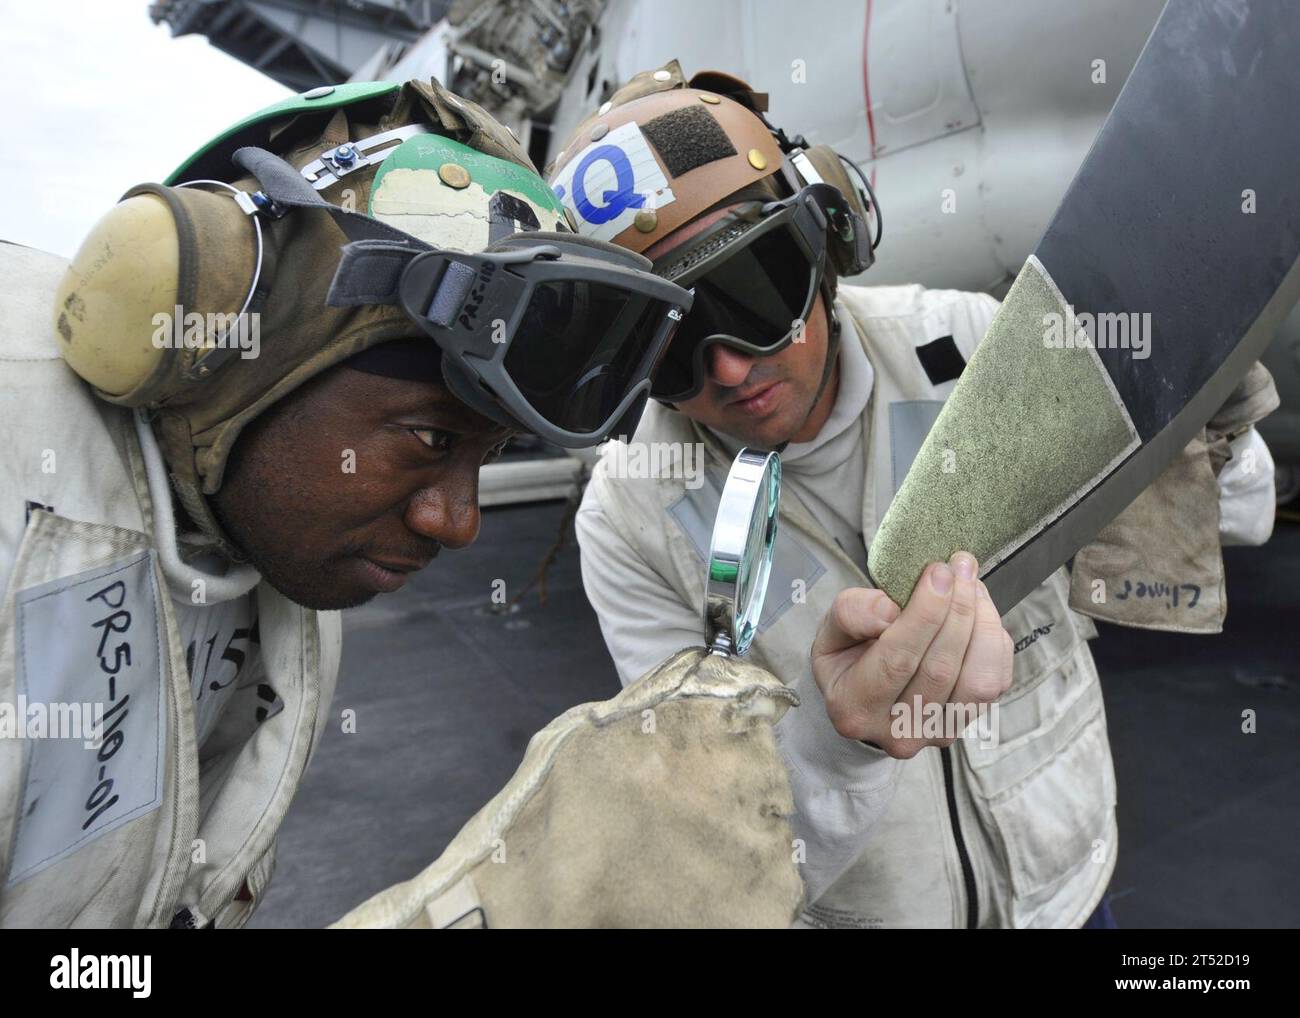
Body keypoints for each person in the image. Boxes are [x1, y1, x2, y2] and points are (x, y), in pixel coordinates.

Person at [553, 62, 1280, 928]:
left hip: (1064, 896)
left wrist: (1206, 432)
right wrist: (844, 738)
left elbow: (1243, 517)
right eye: (662, 343)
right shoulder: (630, 513)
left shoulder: (966, 349)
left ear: (828, 241)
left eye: (752, 292)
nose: (729, 368)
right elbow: (710, 822)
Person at [0, 77, 690, 928]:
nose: (459, 522)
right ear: (237, 355)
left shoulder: (287, 581)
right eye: (431, 439)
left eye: (492, 452)